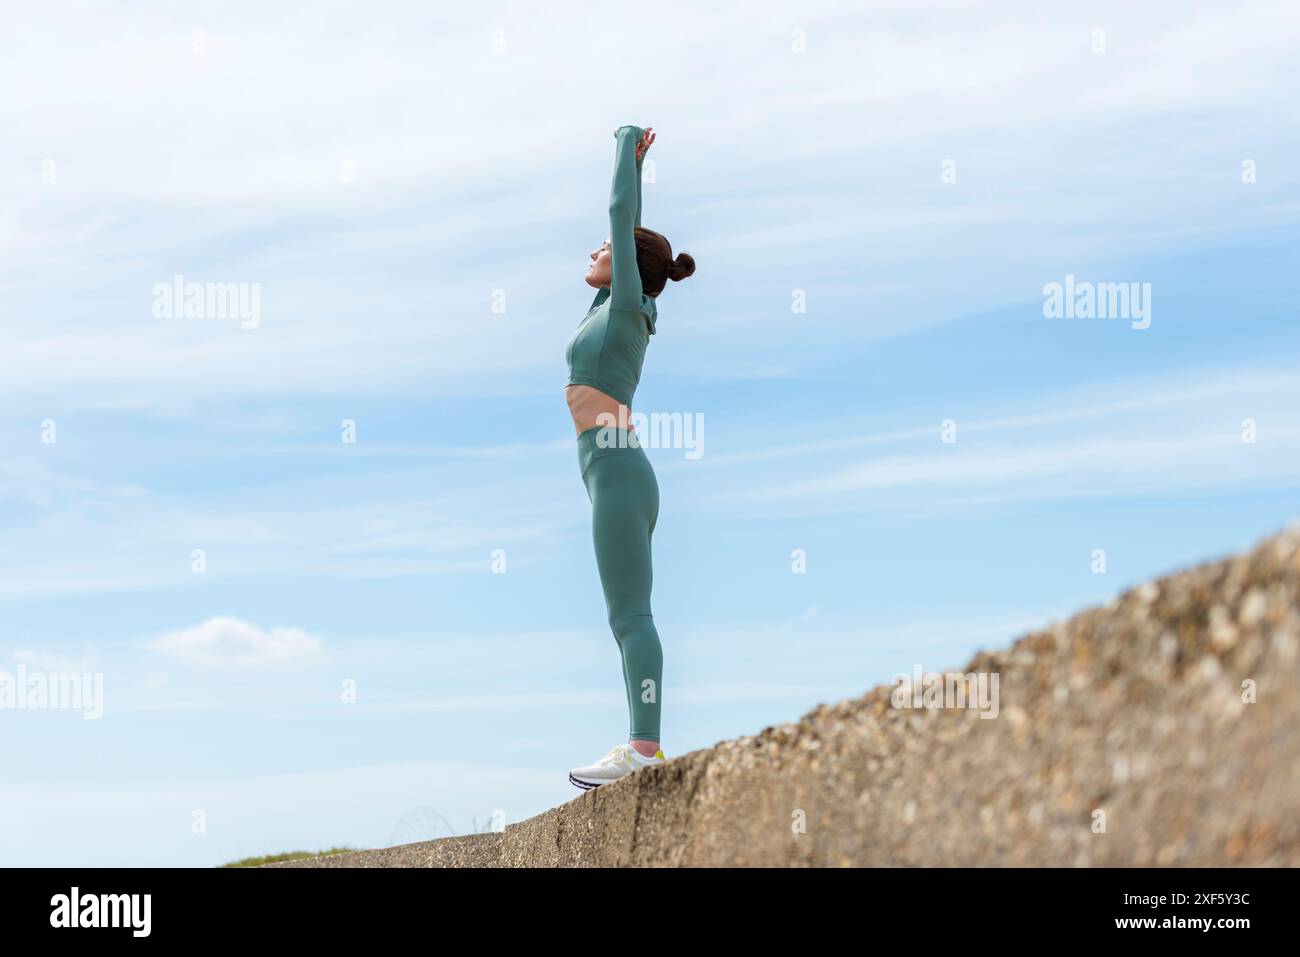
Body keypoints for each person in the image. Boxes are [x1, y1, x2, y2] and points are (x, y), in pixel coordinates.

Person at [564, 125, 695, 789]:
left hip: (616, 470)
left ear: (625, 265)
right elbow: (630, 225)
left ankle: (644, 748)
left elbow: (620, 221)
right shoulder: (615, 304)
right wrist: (640, 169)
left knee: (630, 616)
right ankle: (641, 744)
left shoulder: (622, 312)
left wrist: (621, 144)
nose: (594, 250)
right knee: (627, 614)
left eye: (605, 250)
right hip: (615, 470)